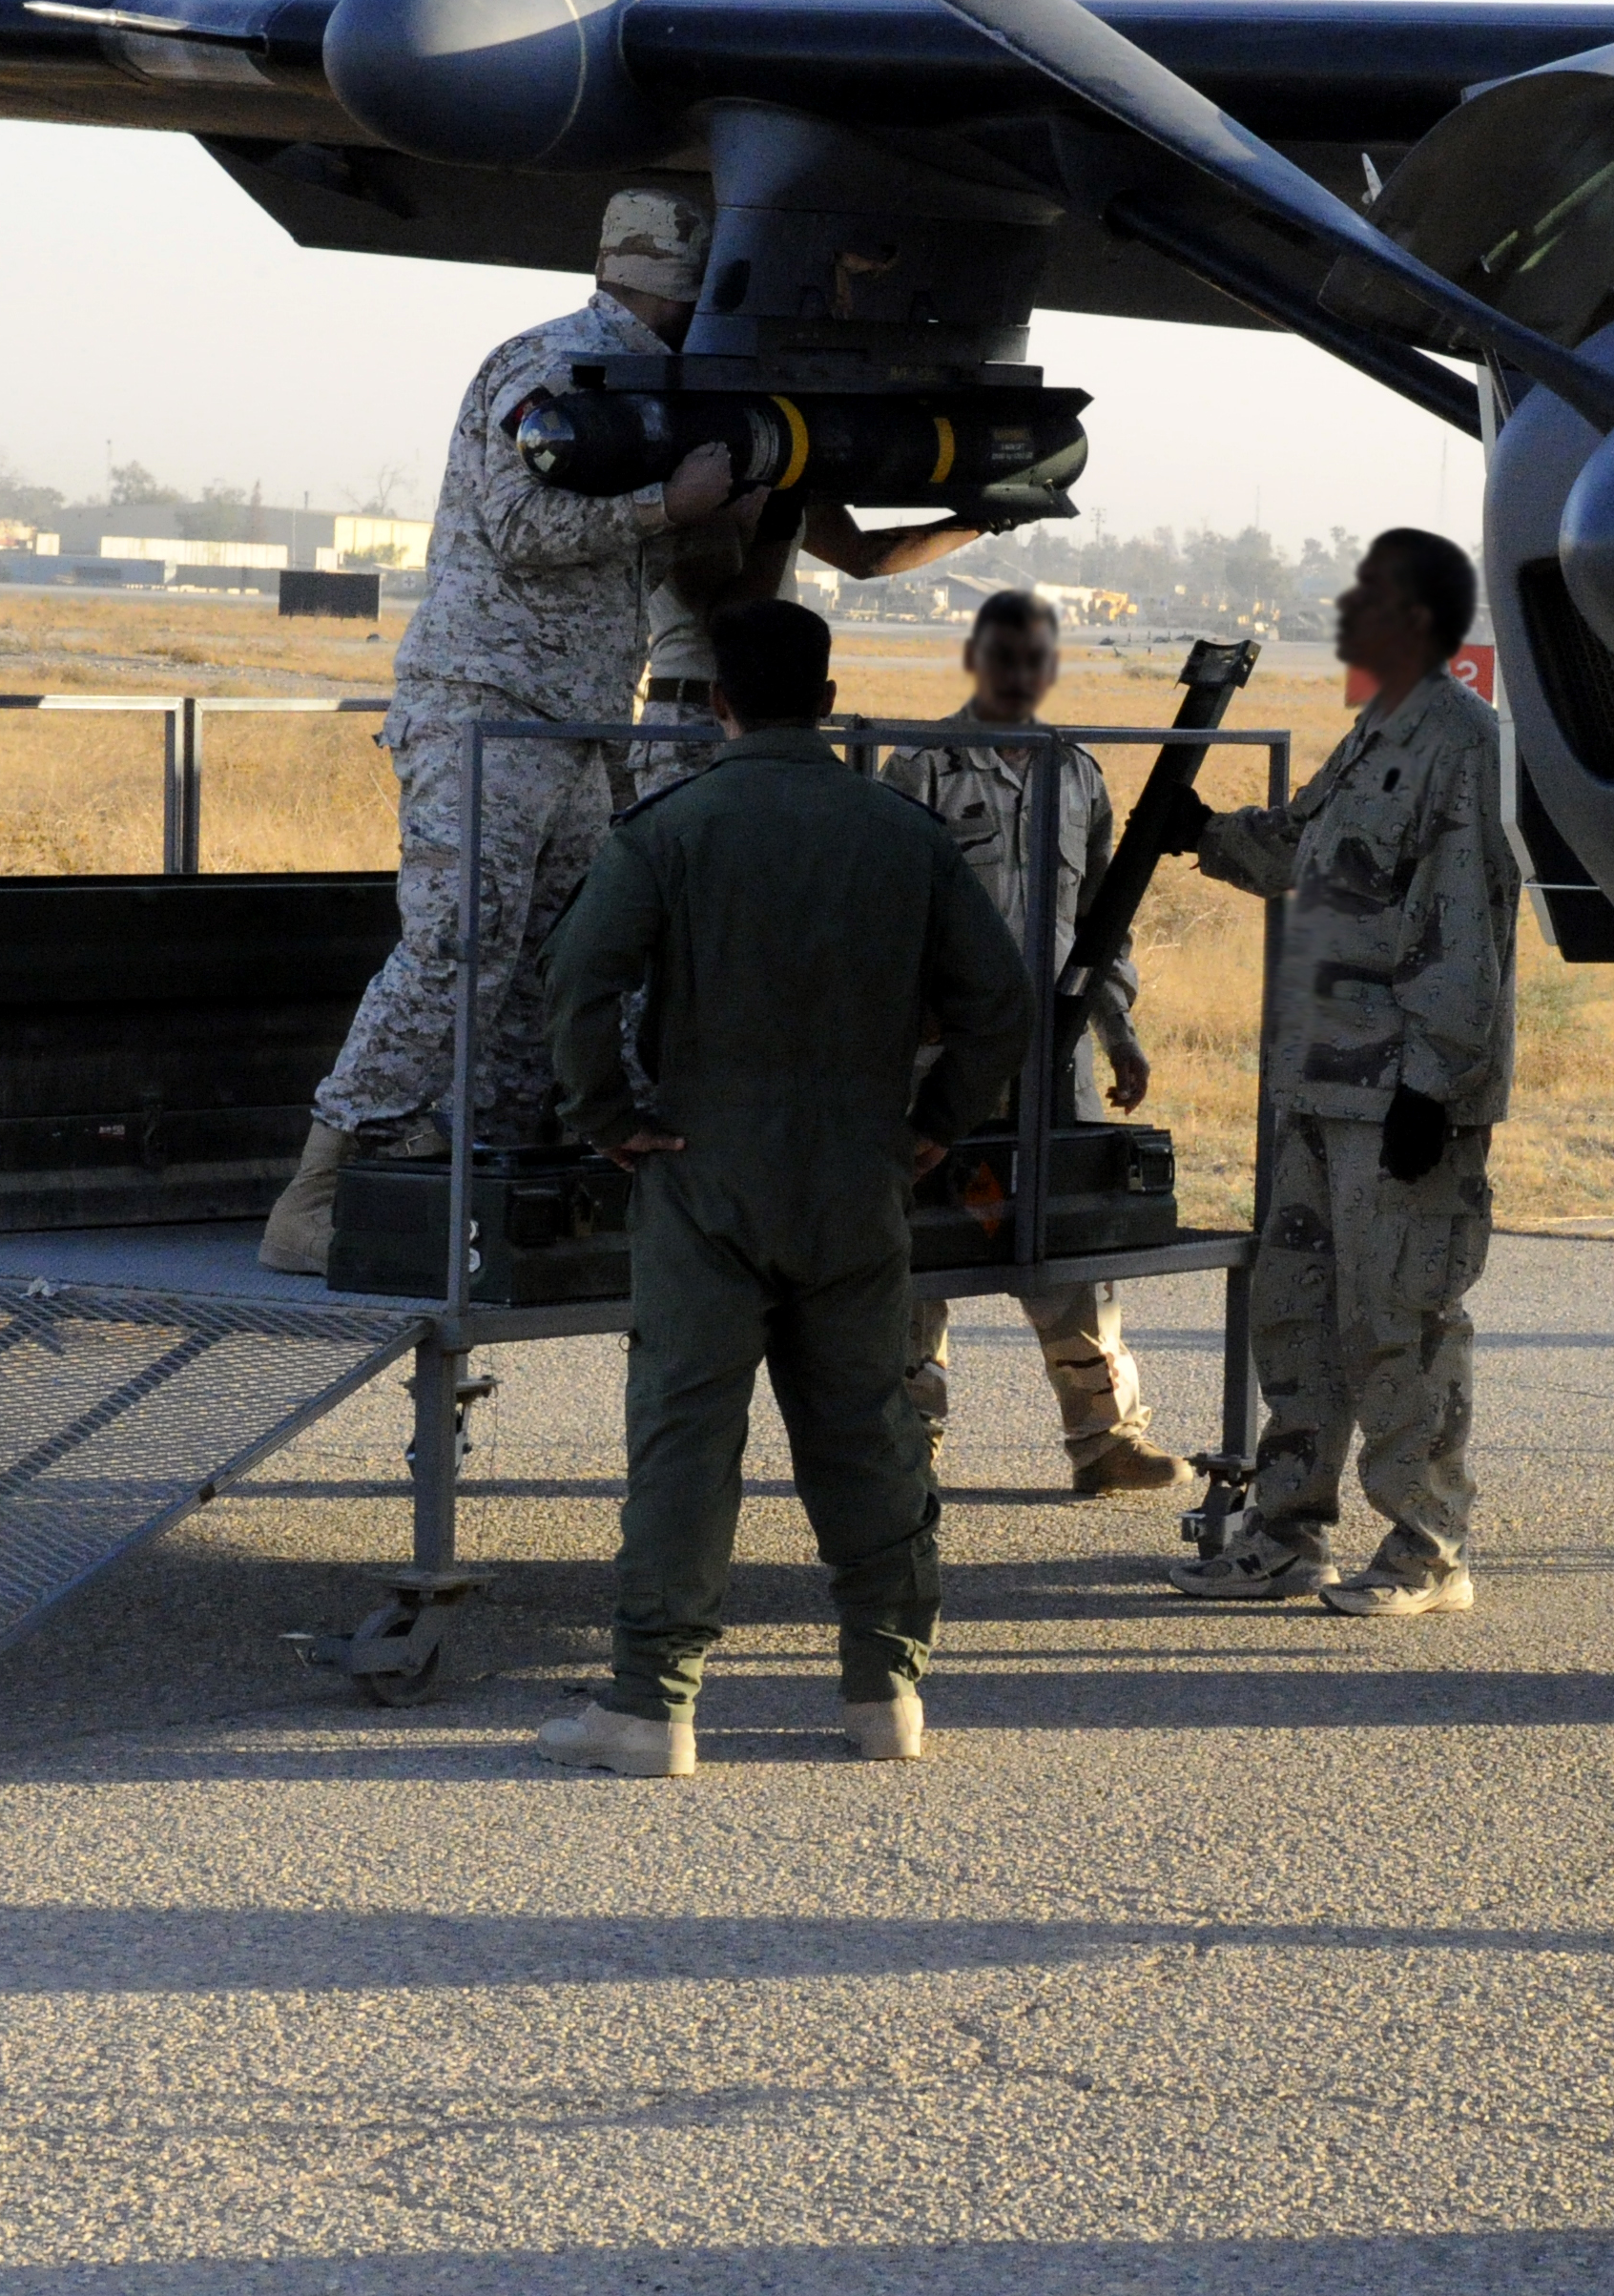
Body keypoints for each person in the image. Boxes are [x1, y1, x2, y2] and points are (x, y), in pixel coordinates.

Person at [534, 598, 1030, 1776]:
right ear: (827, 699)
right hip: (856, 1173)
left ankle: (651, 1703)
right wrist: (934, 1124)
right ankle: (884, 1691)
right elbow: (999, 1002)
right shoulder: (900, 832)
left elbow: (577, 983)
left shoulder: (669, 829)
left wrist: (609, 1119)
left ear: (718, 702)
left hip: (703, 1173)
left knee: (686, 1433)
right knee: (867, 1426)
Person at [260, 189, 760, 1273]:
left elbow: (641, 557)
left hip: (574, 723)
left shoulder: (645, 387)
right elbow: (521, 525)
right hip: (485, 706)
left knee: (554, 961)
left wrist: (713, 516)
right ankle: (317, 1192)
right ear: (681, 281)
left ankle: (483, 1172)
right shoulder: (552, 366)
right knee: (457, 946)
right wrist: (666, 506)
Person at [1164, 528, 1519, 1616]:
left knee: (1399, 1320)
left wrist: (1432, 1083)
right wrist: (1205, 834)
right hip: (1320, 1079)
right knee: (1298, 1312)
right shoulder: (1377, 729)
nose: (1345, 611)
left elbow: (1467, 926)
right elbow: (1304, 850)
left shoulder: (1461, 741)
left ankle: (1427, 1547)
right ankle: (1285, 1534)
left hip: (1397, 1094)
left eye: (1366, 596)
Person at [879, 590, 1193, 1498]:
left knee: (1069, 1234)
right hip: (943, 1061)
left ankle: (1106, 1440)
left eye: (1034, 658)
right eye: (1003, 656)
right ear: (976, 661)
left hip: (1054, 1055)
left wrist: (1118, 1028)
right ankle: (906, 1445)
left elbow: (1100, 921)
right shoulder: (922, 767)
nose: (1019, 674)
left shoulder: (1077, 773)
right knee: (923, 1243)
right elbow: (887, 907)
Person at [631, 501, 980, 804]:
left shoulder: (780, 489)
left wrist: (986, 518)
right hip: (694, 713)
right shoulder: (692, 490)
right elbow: (731, 618)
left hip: (771, 714)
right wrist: (779, 515)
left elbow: (866, 555)